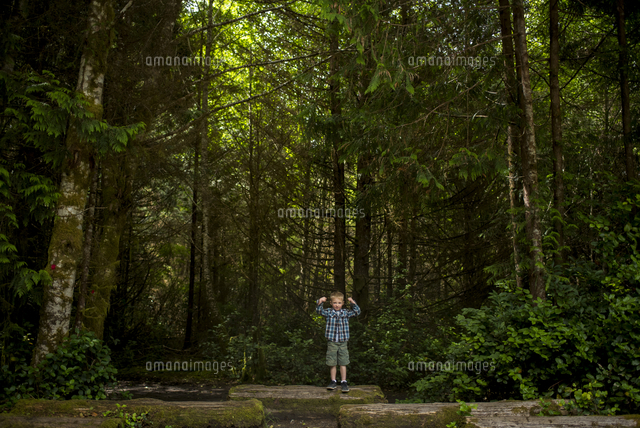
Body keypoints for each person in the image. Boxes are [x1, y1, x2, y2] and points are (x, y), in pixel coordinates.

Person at [316, 291, 360, 392]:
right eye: (335, 303)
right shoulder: (328, 312)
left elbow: (357, 312)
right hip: (332, 342)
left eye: (339, 303)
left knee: (343, 362)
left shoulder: (346, 313)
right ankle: (333, 381)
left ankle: (344, 381)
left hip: (343, 342)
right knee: (332, 362)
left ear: (343, 303)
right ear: (331, 303)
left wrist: (353, 303)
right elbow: (319, 311)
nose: (337, 305)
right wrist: (320, 301)